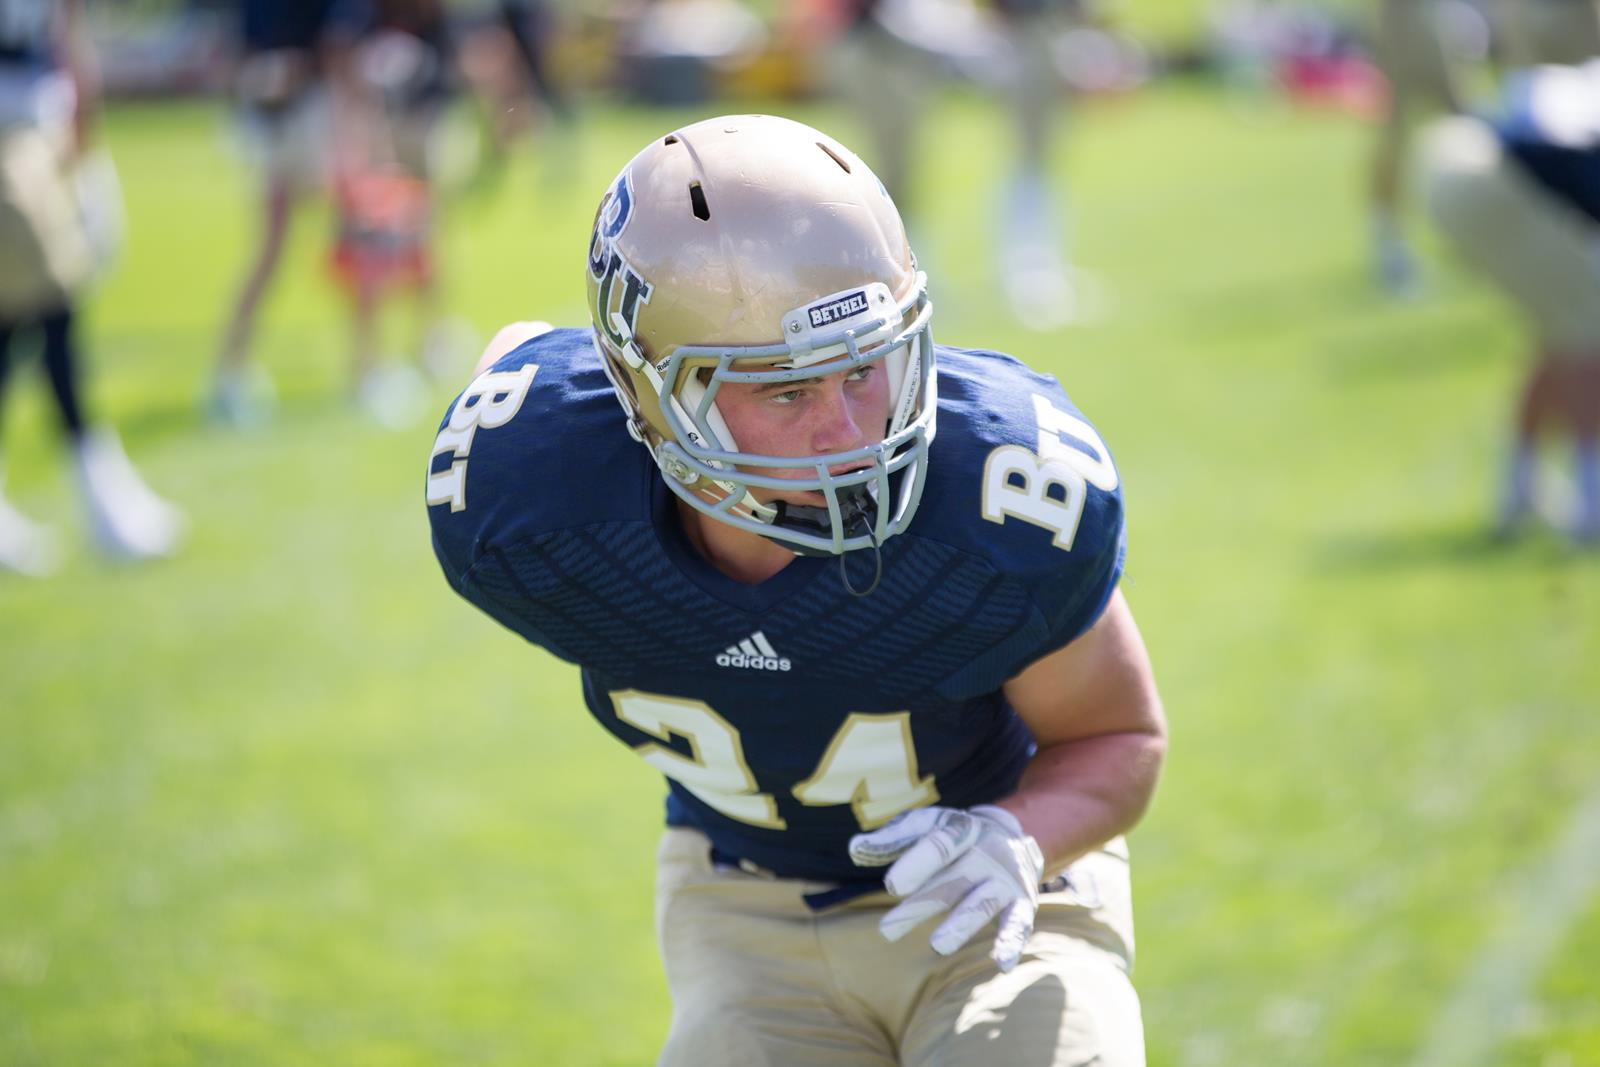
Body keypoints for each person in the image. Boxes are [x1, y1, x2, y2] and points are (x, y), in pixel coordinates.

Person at [426, 115, 1166, 1064]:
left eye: (864, 366)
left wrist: (1018, 838)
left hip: (1005, 885)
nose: (851, 434)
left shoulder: (997, 500)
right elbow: (520, 359)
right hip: (744, 903)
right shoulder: (532, 492)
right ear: (646, 395)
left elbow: (1118, 736)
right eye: (785, 391)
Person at [0, 0, 184, 574]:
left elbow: (67, 36)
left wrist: (86, 154)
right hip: (12, 142)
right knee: (50, 313)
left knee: (30, 322)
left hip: (44, 137)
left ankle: (99, 495)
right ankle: (102, 499)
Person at [1422, 59, 1600, 543]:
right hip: (1488, 173)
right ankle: (1591, 504)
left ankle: (1520, 489)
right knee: (1588, 327)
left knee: (1564, 329)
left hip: (1457, 161)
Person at [208, 0, 343, 426]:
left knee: (348, 237)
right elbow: (241, 59)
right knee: (275, 252)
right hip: (282, 124)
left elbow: (334, 48)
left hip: (315, 114)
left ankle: (368, 364)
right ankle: (230, 371)